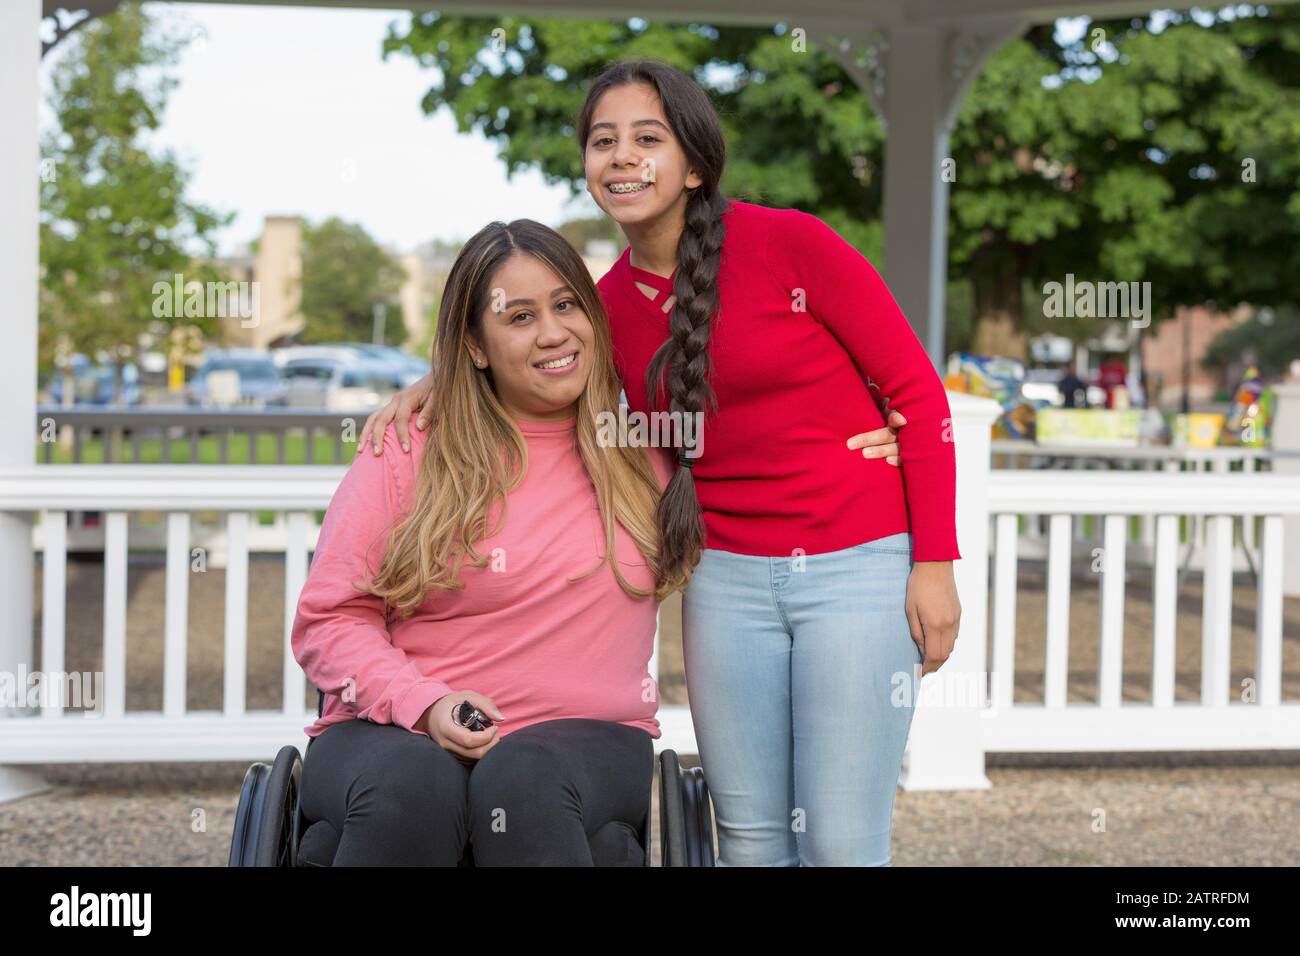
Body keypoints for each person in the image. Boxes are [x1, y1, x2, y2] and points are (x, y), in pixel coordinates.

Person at [362, 60, 961, 866]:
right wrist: (439, 376)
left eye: (649, 138)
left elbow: (918, 397)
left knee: (840, 838)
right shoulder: (602, 310)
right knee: (747, 839)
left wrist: (934, 564)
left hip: (857, 563)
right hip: (723, 581)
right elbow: (530, 351)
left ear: (695, 164)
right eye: (603, 141)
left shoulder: (793, 245)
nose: (622, 157)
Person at [292, 220, 675, 865]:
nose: (553, 333)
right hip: (393, 731)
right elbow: (330, 620)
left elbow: (780, 444)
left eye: (567, 305)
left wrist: (883, 441)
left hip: (586, 741)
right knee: (409, 790)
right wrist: (426, 703)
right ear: (474, 343)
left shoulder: (646, 448)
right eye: (519, 316)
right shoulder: (409, 447)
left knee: (524, 782)